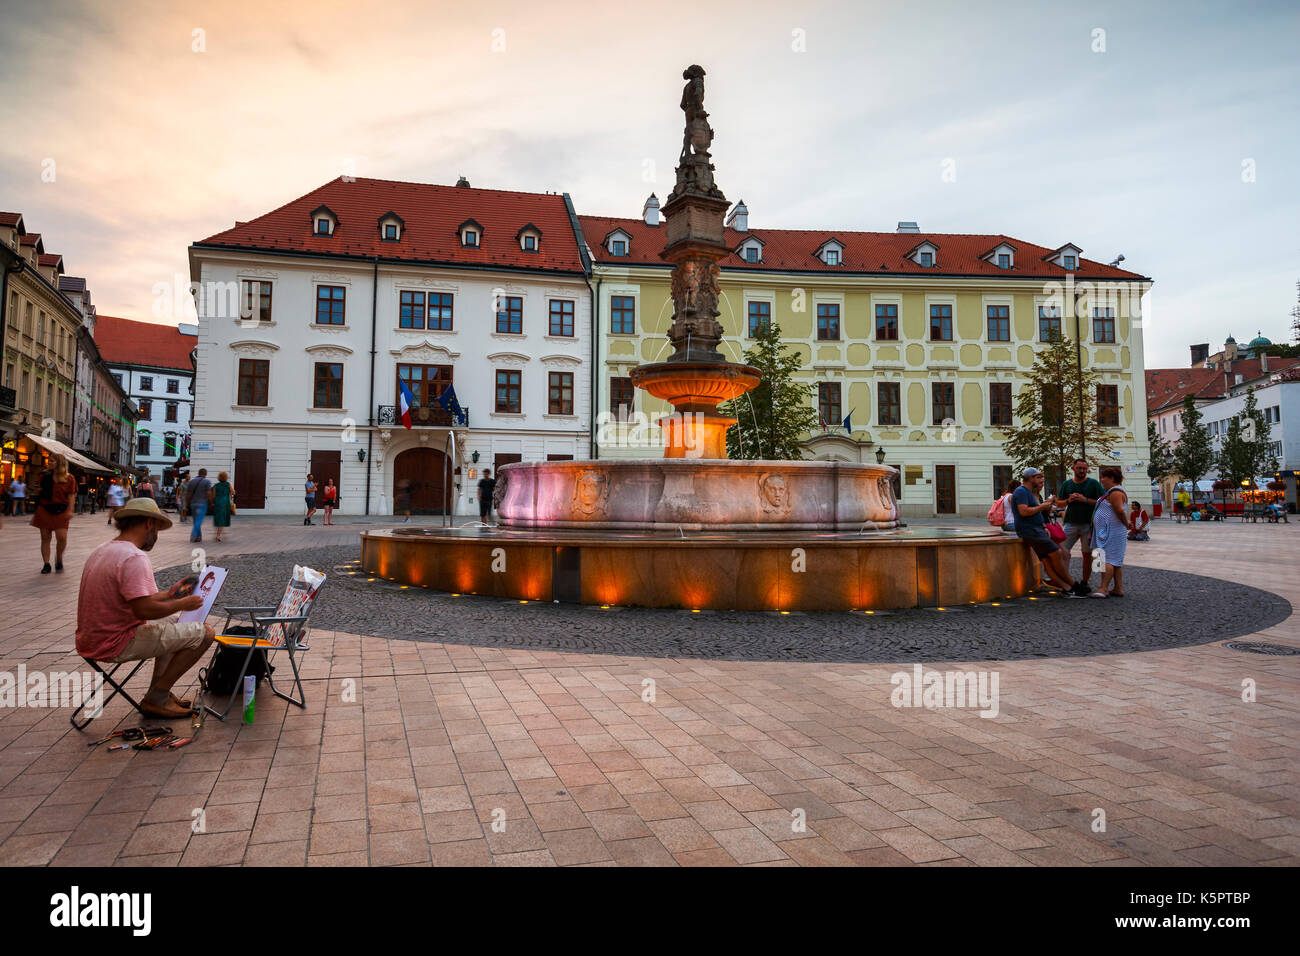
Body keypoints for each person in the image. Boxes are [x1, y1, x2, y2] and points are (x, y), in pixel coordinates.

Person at [75, 497, 215, 719]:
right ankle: (157, 696)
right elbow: (144, 611)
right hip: (116, 642)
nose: (156, 536)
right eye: (157, 529)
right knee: (206, 633)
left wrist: (169, 595)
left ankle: (159, 694)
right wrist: (182, 603)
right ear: (149, 524)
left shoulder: (104, 550)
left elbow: (136, 599)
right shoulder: (134, 557)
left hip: (91, 638)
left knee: (180, 623)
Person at [1013, 467, 1086, 597]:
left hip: (1036, 529)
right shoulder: (1021, 491)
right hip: (1030, 530)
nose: (1041, 480)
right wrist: (1043, 507)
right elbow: (1023, 511)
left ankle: (1066, 587)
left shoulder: (1028, 492)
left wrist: (1043, 525)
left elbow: (1032, 512)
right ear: (1030, 478)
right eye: (1038, 477)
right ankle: (1072, 584)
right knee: (1056, 553)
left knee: (1047, 559)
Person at [1059, 458, 1104, 592]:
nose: (1082, 471)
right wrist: (1068, 500)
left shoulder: (1094, 484)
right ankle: (1065, 581)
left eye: (1084, 468)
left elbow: (1102, 502)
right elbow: (1059, 503)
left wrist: (1085, 500)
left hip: (1088, 524)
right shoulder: (1067, 484)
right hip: (1071, 523)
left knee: (1087, 554)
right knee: (1062, 552)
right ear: (1073, 468)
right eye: (1079, 468)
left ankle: (1085, 582)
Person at [31, 455, 78, 574]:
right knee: (45, 538)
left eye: (52, 461)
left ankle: (59, 557)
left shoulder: (69, 478)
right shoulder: (44, 476)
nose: (49, 462)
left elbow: (71, 495)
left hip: (61, 511)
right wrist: (39, 490)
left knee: (62, 537)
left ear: (59, 463)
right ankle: (46, 564)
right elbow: (38, 490)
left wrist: (70, 510)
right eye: (49, 460)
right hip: (45, 509)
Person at [1089, 467, 1129, 597]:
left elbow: (1120, 510)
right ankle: (1118, 588)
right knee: (1114, 560)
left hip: (1111, 532)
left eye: (1103, 477)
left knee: (1108, 559)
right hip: (1106, 531)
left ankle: (1103, 589)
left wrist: (1126, 523)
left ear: (1111, 478)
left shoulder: (1116, 492)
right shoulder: (1111, 492)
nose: (1101, 480)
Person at [185, 468, 213, 543]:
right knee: (199, 520)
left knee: (196, 521)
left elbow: (188, 494)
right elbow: (209, 493)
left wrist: (187, 503)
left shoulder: (192, 481)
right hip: (202, 503)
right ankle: (193, 535)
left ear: (198, 473)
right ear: (205, 474)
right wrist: (211, 502)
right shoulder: (207, 482)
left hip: (193, 504)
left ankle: (199, 537)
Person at [212, 471, 234, 542]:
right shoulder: (228, 484)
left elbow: (214, 496)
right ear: (226, 477)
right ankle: (218, 535)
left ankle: (219, 533)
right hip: (225, 503)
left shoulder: (216, 485)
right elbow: (233, 492)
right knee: (222, 519)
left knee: (219, 517)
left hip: (218, 502)